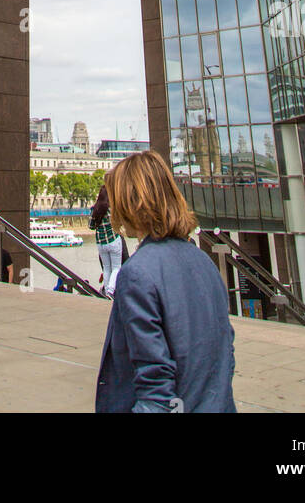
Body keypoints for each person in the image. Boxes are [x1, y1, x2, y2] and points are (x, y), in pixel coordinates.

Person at [95, 150, 235, 413]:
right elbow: (225, 354)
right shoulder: (205, 262)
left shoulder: (137, 273)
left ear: (130, 203)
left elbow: (156, 393)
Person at [89, 184, 122, 298]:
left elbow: (91, 226)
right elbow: (119, 222)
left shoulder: (94, 209)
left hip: (101, 243)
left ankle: (107, 290)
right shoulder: (111, 208)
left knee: (106, 268)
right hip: (113, 240)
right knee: (116, 267)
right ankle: (111, 290)